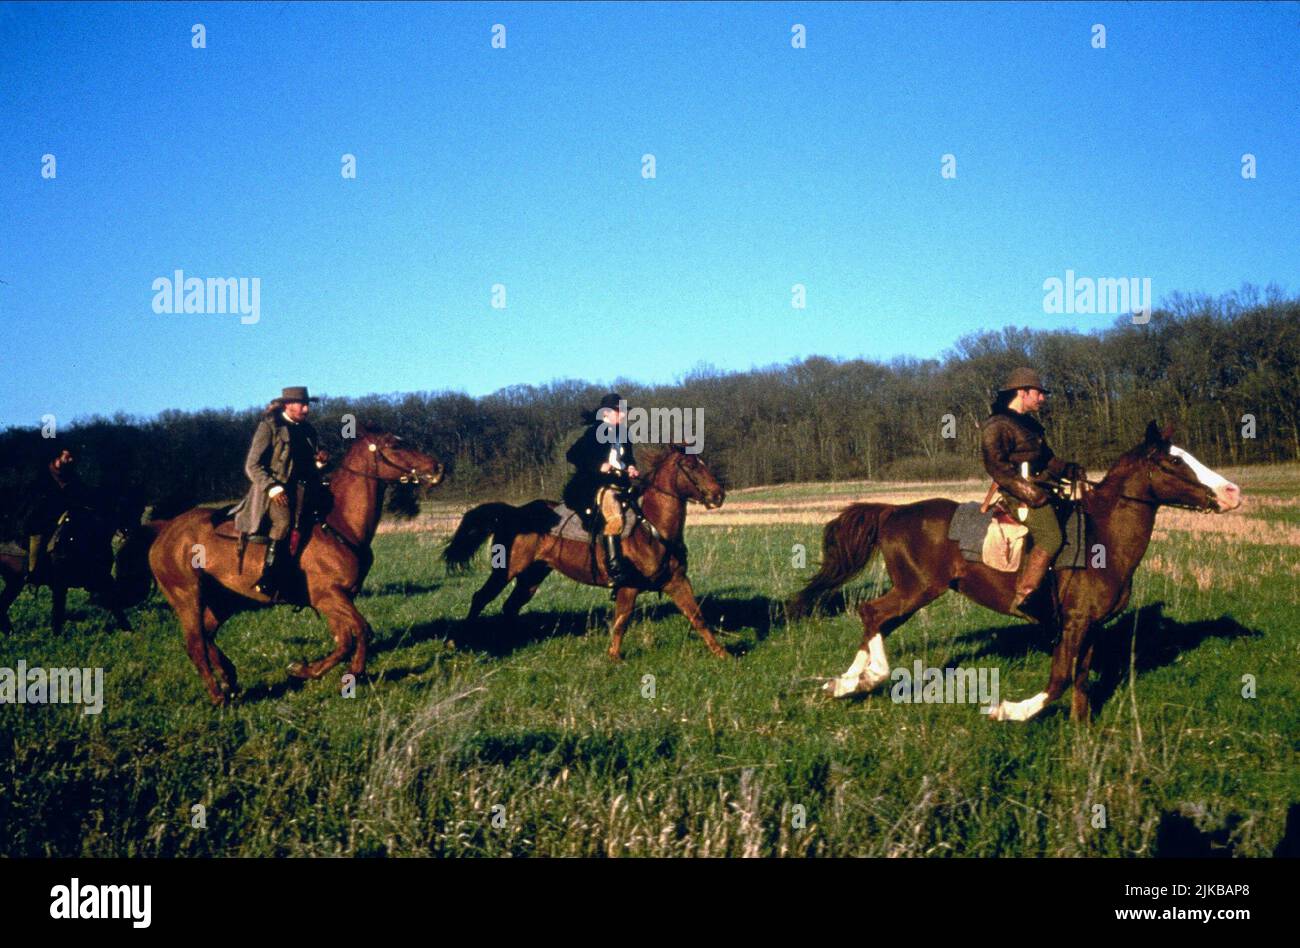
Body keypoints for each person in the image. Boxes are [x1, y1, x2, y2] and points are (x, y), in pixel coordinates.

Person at [980, 368, 1086, 615]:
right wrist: (1031, 494)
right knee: (1051, 537)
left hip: (1039, 489)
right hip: (1016, 494)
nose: (1042, 398)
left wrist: (1068, 469)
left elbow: (1047, 460)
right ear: (1022, 392)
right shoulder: (997, 425)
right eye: (1038, 393)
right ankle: (1025, 599)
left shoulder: (1030, 425)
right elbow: (999, 469)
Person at [231, 386, 327, 598]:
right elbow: (252, 465)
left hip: (304, 491)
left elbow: (306, 465)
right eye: (301, 405)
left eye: (307, 405)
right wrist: (273, 488)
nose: (306, 409)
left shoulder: (309, 430)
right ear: (287, 405)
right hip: (274, 492)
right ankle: (270, 577)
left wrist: (319, 464)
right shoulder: (269, 427)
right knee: (283, 523)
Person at [562, 393, 641, 586]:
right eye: (619, 412)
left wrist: (630, 467)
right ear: (607, 413)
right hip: (594, 484)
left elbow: (626, 458)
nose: (623, 416)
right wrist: (598, 466)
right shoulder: (593, 433)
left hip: (621, 483)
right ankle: (614, 569)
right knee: (613, 516)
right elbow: (572, 455)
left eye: (623, 412)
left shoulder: (624, 434)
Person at [22, 445, 90, 584]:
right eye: (68, 456)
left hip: (65, 520)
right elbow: (33, 501)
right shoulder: (42, 476)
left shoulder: (72, 478)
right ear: (57, 458)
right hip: (40, 521)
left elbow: (82, 494)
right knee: (38, 543)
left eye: (72, 457)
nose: (71, 460)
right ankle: (32, 574)